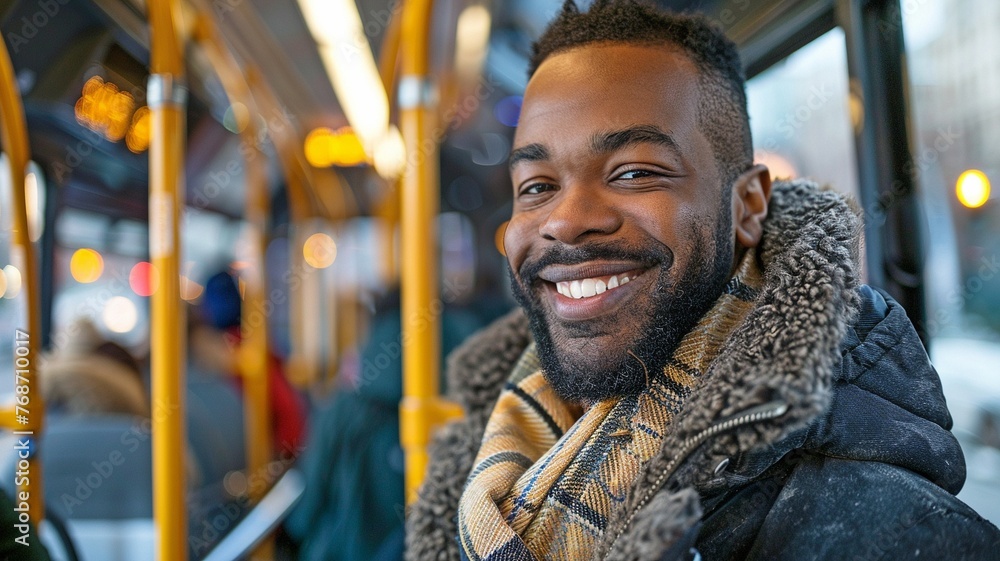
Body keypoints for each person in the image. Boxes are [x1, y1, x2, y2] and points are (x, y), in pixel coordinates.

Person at [405, 2, 1000, 560]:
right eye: (536, 186)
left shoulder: (887, 532)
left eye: (634, 171)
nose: (563, 220)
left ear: (746, 206)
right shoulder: (490, 451)